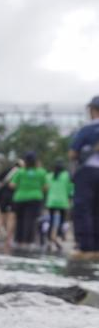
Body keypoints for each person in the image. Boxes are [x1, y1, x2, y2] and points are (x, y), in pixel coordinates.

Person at [69, 97, 99, 260]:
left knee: (84, 208)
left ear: (93, 110)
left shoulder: (88, 129)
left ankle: (85, 248)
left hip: (88, 172)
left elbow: (73, 153)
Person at [10, 151, 47, 247]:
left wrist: (22, 187)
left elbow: (12, 185)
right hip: (35, 198)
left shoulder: (20, 172)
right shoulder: (41, 172)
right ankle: (28, 241)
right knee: (30, 220)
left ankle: (18, 240)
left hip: (20, 197)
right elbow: (46, 186)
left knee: (20, 219)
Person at [44, 162, 72, 251]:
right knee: (61, 221)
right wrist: (70, 197)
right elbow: (70, 187)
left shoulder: (49, 176)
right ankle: (59, 238)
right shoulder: (66, 176)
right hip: (62, 201)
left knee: (51, 220)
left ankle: (49, 240)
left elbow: (46, 188)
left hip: (51, 201)